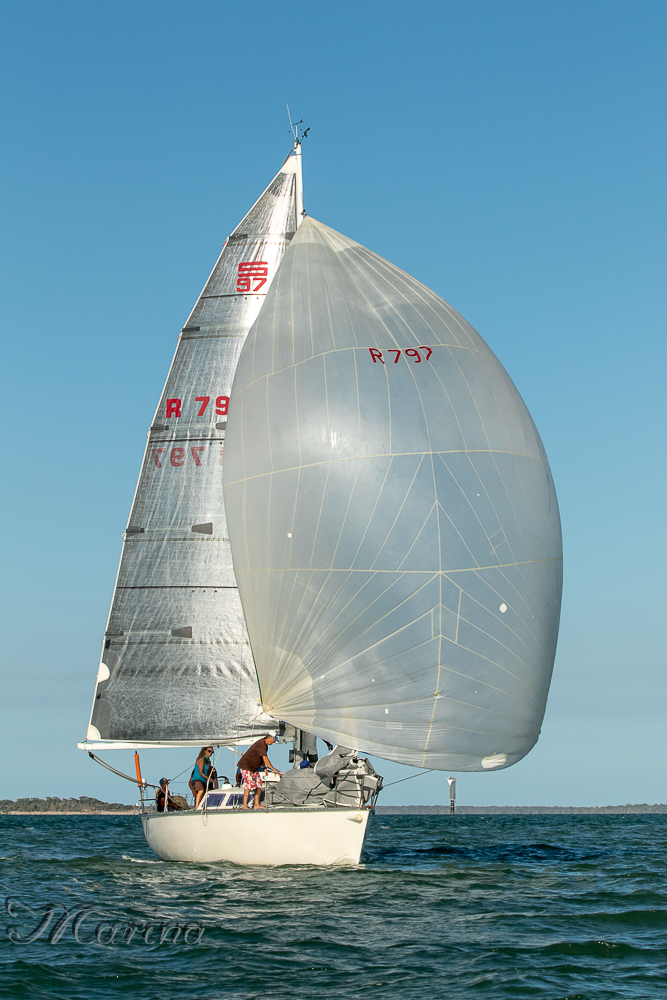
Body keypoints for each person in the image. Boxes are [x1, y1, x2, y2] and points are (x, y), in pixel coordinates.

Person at [237, 735, 282, 810]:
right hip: (246, 767)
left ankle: (256, 804)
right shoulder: (261, 744)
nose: (274, 742)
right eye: (274, 740)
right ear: (270, 738)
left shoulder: (265, 746)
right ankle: (244, 805)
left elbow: (261, 757)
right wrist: (273, 769)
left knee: (258, 784)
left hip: (254, 768)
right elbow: (265, 758)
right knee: (248, 785)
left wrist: (264, 768)